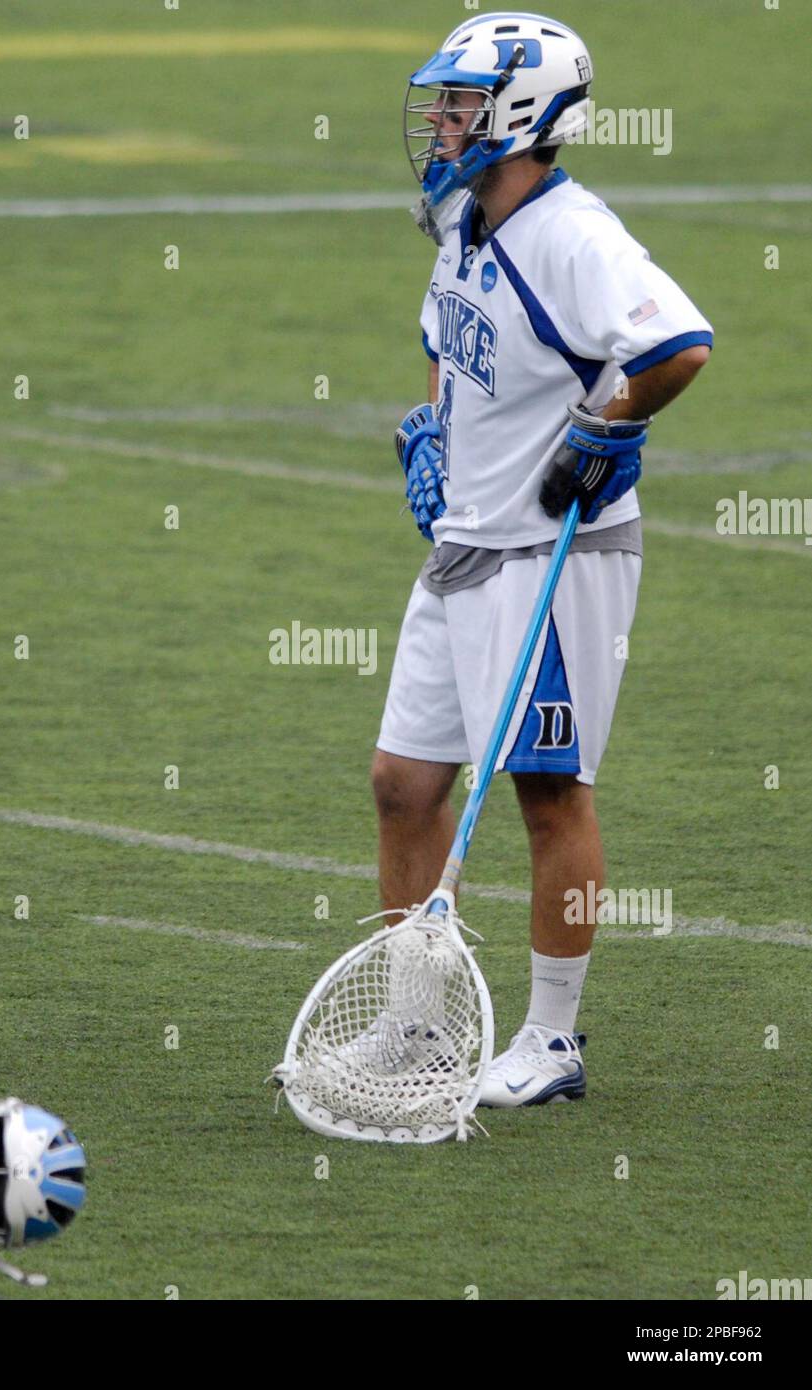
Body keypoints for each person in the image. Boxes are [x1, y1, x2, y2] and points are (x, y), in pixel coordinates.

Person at [374, 12, 712, 1107]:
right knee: (402, 784)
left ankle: (551, 1040)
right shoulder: (461, 219)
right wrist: (430, 435)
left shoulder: (573, 235)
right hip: (464, 543)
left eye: (460, 104)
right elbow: (442, 344)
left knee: (545, 790)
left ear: (521, 113)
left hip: (549, 559)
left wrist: (600, 428)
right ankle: (415, 1026)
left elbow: (673, 344)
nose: (440, 123)